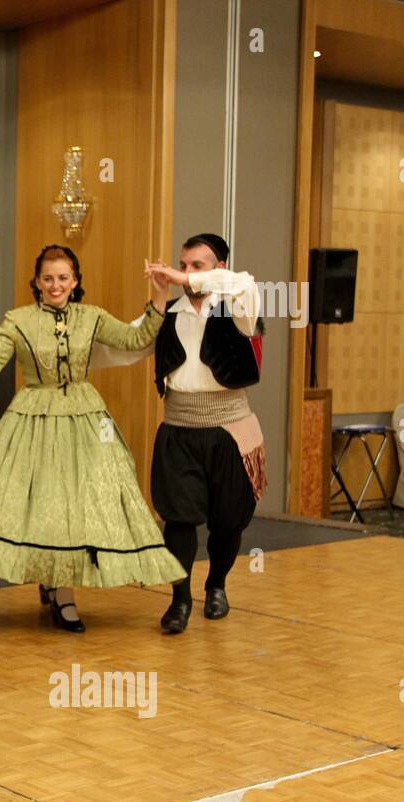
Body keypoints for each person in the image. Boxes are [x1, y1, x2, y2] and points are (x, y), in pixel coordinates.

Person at [0, 244, 184, 632]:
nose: (55, 285)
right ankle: (56, 587)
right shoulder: (17, 320)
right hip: (32, 417)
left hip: (84, 416)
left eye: (63, 278)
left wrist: (159, 296)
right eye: (48, 278)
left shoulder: (92, 317)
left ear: (75, 281)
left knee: (78, 502)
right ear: (36, 281)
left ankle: (61, 589)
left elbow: (135, 341)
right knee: (40, 504)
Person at [136, 235, 264, 633]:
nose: (186, 274)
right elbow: (129, 343)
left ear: (220, 268)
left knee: (228, 522)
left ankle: (217, 585)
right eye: (183, 265)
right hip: (179, 429)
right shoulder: (167, 312)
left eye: (197, 266)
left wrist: (185, 280)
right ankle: (179, 600)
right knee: (178, 519)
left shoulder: (240, 305)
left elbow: (245, 283)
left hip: (230, 430)